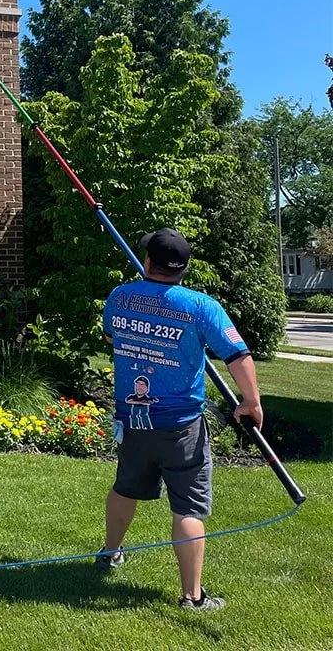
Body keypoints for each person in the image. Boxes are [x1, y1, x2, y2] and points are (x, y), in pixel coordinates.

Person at [96, 227, 263, 611]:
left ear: (149, 262)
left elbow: (110, 338)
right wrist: (250, 402)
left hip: (134, 420)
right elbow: (238, 355)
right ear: (184, 269)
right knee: (187, 508)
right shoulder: (201, 306)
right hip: (182, 426)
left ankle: (110, 552)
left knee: (126, 487)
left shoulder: (120, 297)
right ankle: (193, 596)